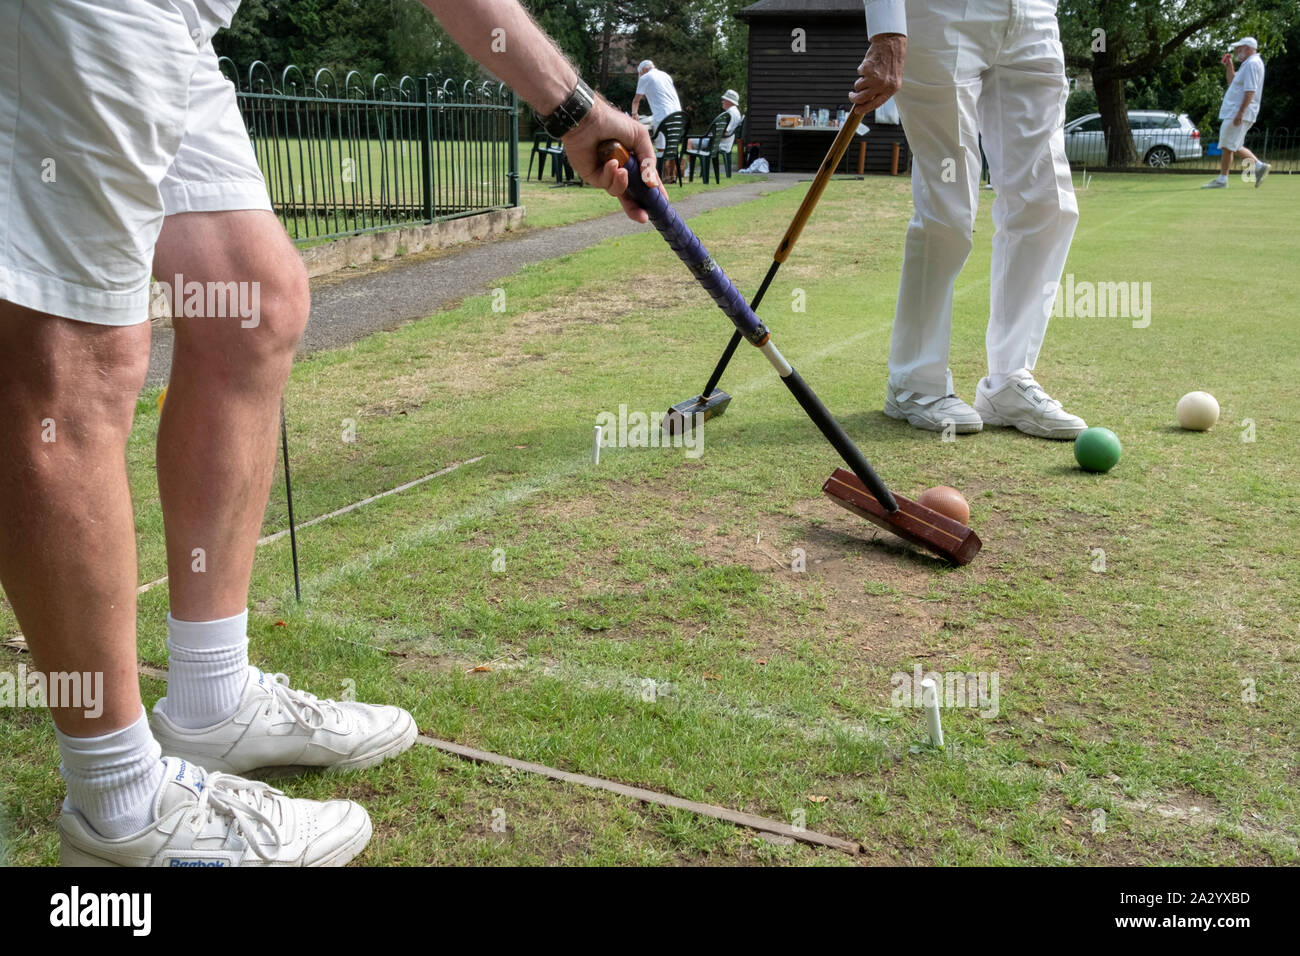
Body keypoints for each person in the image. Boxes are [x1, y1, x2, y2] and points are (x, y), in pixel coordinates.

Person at [0, 0, 655, 867]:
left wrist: (572, 110)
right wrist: (573, 108)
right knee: (71, 356)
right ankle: (117, 803)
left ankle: (210, 700)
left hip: (179, 19)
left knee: (254, 302)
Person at [852, 0, 1087, 439]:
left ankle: (1009, 379)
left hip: (1033, 15)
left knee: (1047, 203)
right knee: (949, 206)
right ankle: (915, 382)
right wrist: (887, 29)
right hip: (940, 13)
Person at [1203, 38, 1269, 189]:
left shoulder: (1252, 64)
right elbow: (1232, 82)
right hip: (1235, 111)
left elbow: (1250, 90)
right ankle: (1259, 166)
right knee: (1232, 144)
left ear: (1248, 48)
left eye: (1239, 48)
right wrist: (1229, 66)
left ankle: (1223, 180)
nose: (1236, 51)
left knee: (1228, 144)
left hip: (1238, 112)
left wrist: (1241, 112)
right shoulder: (1248, 64)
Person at [631, 59, 683, 182]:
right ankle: (672, 176)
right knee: (673, 146)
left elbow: (636, 100)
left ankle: (662, 176)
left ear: (643, 70)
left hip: (663, 115)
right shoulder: (665, 75)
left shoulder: (645, 77)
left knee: (661, 148)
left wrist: (634, 114)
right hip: (678, 115)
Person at [685, 89, 744, 171]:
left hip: (718, 143)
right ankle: (699, 169)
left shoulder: (730, 113)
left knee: (689, 141)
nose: (722, 101)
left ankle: (690, 170)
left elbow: (724, 131)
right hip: (724, 142)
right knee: (695, 141)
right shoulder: (736, 112)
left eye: (724, 99)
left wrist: (710, 135)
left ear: (729, 101)